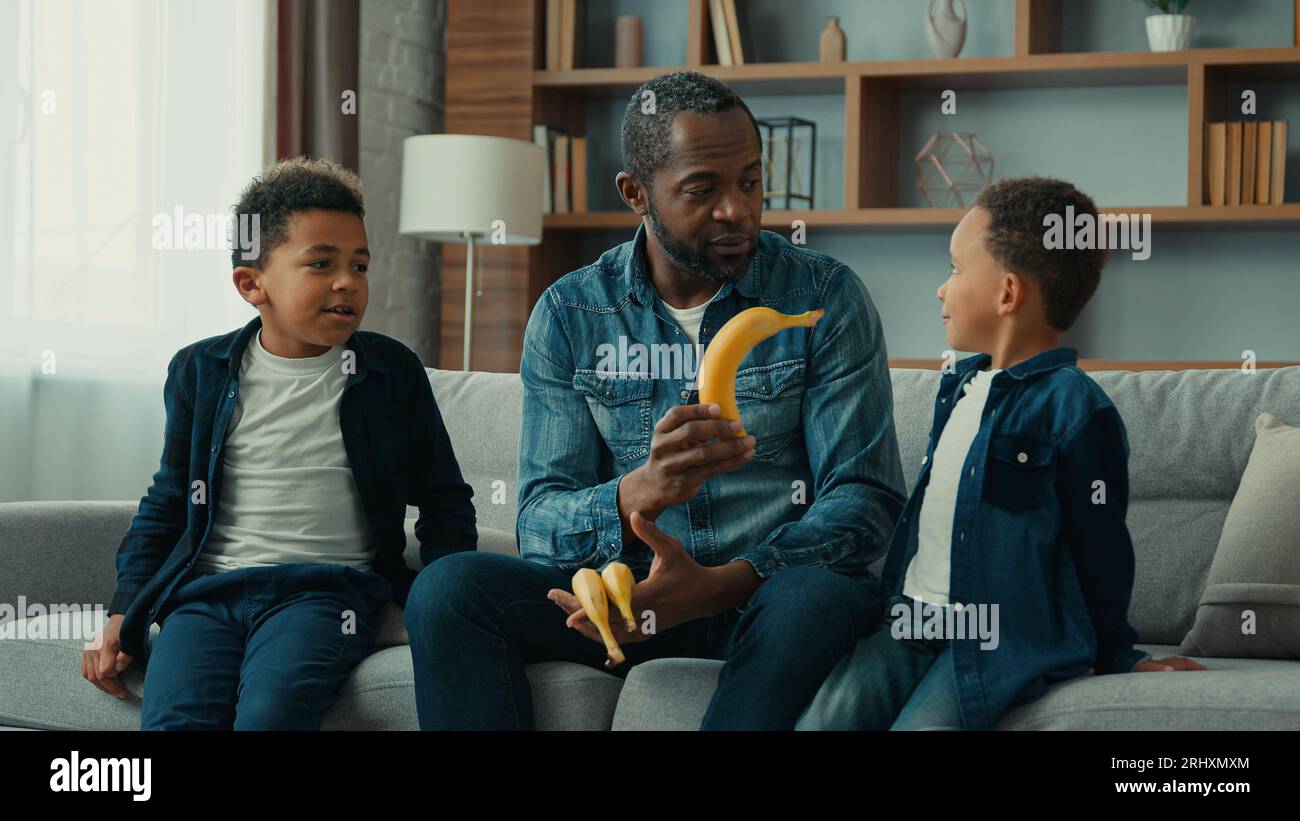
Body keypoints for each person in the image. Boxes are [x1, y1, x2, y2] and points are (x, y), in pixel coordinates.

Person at [403, 70, 908, 730]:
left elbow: (866, 499)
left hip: (769, 594)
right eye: (704, 189)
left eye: (750, 181)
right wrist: (635, 491)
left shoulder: (823, 298)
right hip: (632, 602)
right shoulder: (570, 313)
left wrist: (727, 581)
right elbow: (540, 521)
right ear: (636, 192)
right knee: (448, 590)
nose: (737, 209)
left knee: (815, 596)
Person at [796, 176, 1207, 731]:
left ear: (1008, 293)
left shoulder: (1075, 409)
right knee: (824, 723)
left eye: (955, 269)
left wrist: (1119, 654)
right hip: (910, 622)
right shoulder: (957, 389)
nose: (941, 289)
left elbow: (1102, 545)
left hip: (999, 637)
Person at [82, 157, 477, 729]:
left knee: (270, 715)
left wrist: (443, 602)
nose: (348, 282)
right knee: (174, 720)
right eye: (321, 264)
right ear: (252, 284)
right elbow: (168, 501)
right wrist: (124, 608)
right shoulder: (201, 370)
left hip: (323, 594)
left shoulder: (391, 372)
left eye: (360, 265)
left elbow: (444, 499)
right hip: (205, 595)